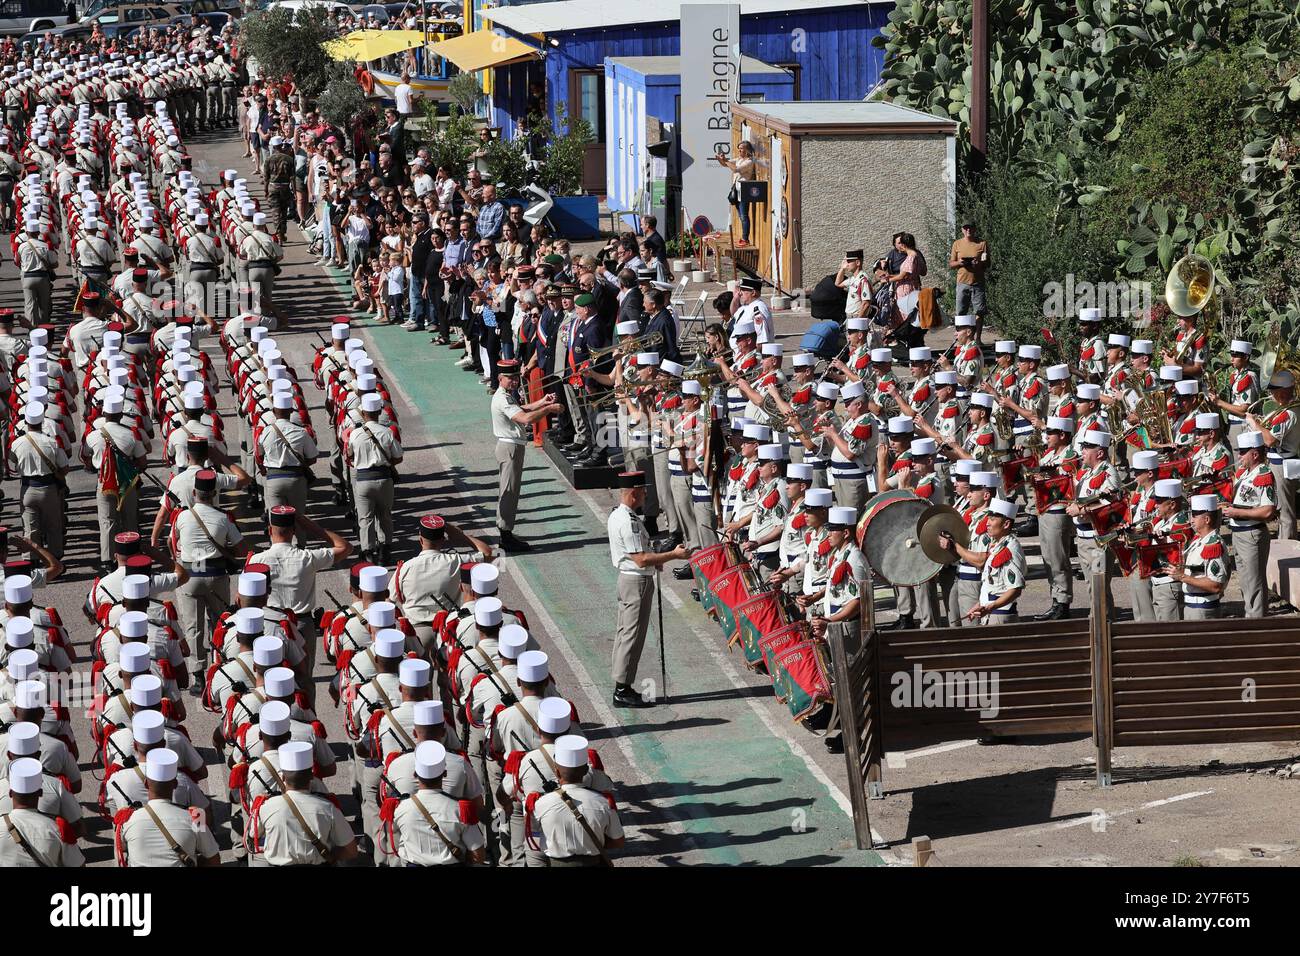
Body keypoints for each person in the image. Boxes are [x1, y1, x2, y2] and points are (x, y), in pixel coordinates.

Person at [607, 472, 689, 707]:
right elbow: (641, 559)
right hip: (636, 582)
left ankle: (621, 684)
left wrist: (657, 558)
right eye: (642, 490)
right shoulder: (629, 522)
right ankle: (622, 688)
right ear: (633, 493)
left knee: (625, 633)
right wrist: (673, 554)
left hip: (629, 580)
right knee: (632, 635)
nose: (645, 494)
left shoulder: (618, 515)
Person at [492, 360, 564, 553]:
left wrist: (542, 402)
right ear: (500, 378)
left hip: (511, 447)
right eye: (509, 378)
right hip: (510, 448)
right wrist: (548, 410)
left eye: (516, 377)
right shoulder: (503, 398)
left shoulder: (506, 395)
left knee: (510, 490)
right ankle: (505, 536)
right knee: (509, 491)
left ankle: (506, 532)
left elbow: (522, 409)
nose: (514, 381)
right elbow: (524, 419)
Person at [249, 740, 359, 866]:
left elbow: (252, 837)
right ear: (312, 777)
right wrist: (329, 855)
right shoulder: (328, 809)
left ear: (283, 778)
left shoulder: (266, 807)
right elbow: (351, 850)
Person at [530, 734, 624, 866]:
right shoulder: (603, 803)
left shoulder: (541, 803)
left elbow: (532, 833)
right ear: (586, 771)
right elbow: (618, 841)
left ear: (557, 772)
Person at [948, 222, 989, 335]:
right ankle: (959, 339)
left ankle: (978, 339)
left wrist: (978, 263)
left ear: (975, 229)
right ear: (962, 230)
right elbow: (951, 264)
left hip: (978, 282)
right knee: (960, 312)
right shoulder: (957, 244)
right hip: (962, 282)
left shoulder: (982, 244)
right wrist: (960, 263)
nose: (968, 230)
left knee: (979, 312)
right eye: (966, 228)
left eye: (970, 228)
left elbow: (987, 263)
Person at [715, 140, 756, 245]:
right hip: (737, 189)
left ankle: (745, 239)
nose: (739, 151)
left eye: (741, 148)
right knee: (740, 215)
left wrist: (726, 161)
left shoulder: (749, 161)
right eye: (739, 149)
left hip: (744, 190)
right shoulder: (739, 159)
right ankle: (744, 237)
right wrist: (721, 160)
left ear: (747, 150)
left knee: (744, 215)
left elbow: (736, 169)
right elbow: (725, 164)